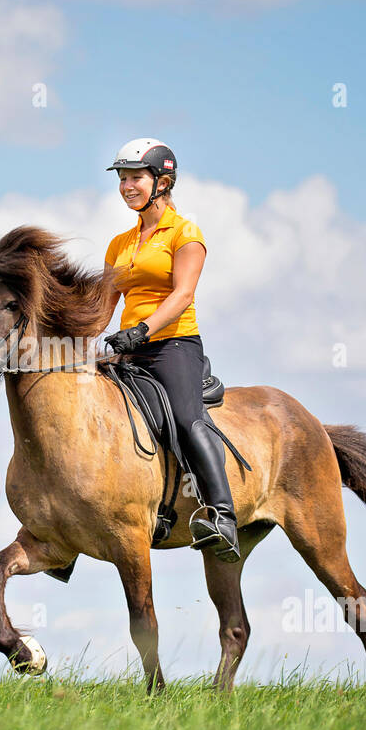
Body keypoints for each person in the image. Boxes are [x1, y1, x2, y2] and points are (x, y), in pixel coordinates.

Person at [100, 138, 241, 563]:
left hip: (173, 345)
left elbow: (182, 295)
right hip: (128, 349)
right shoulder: (119, 244)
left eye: (135, 178)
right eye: (122, 179)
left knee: (186, 418)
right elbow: (102, 308)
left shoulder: (185, 233)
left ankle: (222, 515)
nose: (127, 186)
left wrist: (142, 331)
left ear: (162, 181)